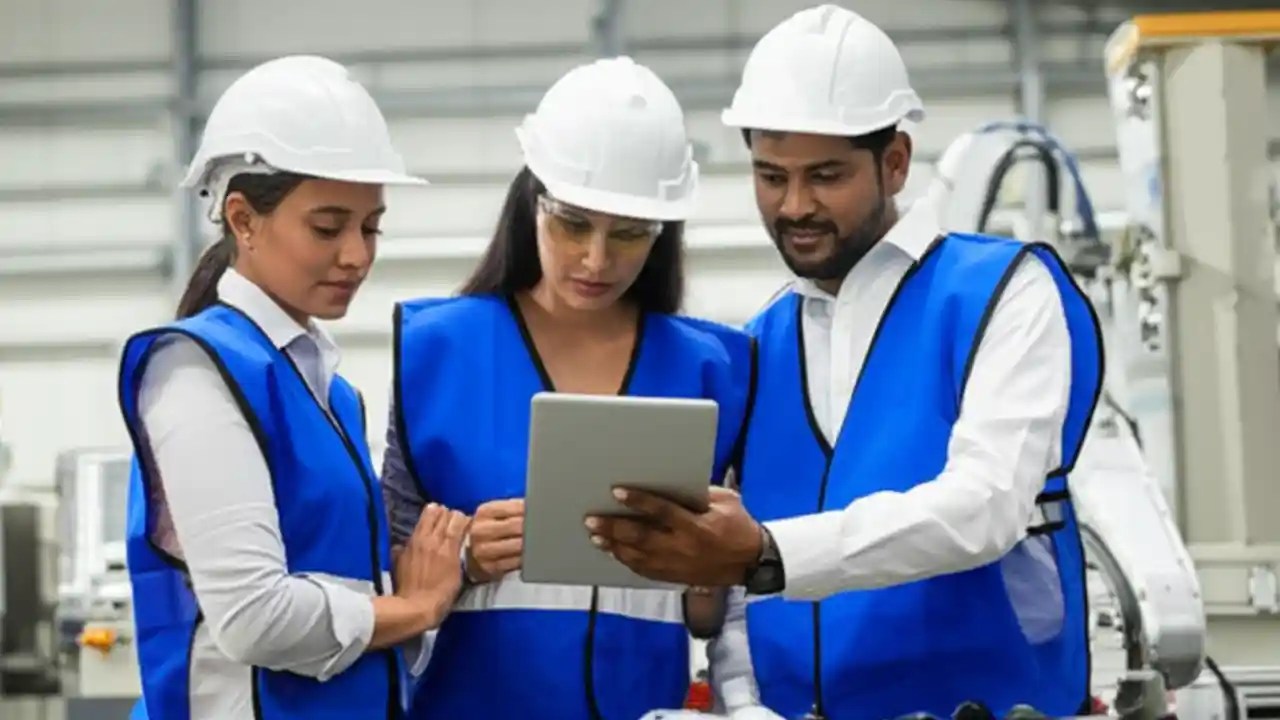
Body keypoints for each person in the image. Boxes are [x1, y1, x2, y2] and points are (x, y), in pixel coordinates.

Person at [584, 5, 1106, 720]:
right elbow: (731, 582)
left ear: (895, 162)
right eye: (771, 176)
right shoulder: (758, 344)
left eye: (824, 175)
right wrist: (744, 702)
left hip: (996, 705)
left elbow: (985, 505)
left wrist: (768, 551)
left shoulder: (1002, 292)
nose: (794, 206)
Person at [380, 56, 757, 720]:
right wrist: (461, 557)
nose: (595, 259)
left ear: (663, 233)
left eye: (630, 234)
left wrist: (707, 566)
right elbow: (380, 578)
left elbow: (711, 617)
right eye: (573, 224)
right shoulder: (436, 352)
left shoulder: (715, 370)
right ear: (533, 201)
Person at [116, 55, 469, 720]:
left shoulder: (329, 393)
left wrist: (448, 561)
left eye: (371, 226)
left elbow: (335, 574)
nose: (358, 255)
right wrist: (415, 606)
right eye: (328, 227)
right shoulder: (196, 371)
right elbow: (254, 617)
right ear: (243, 220)